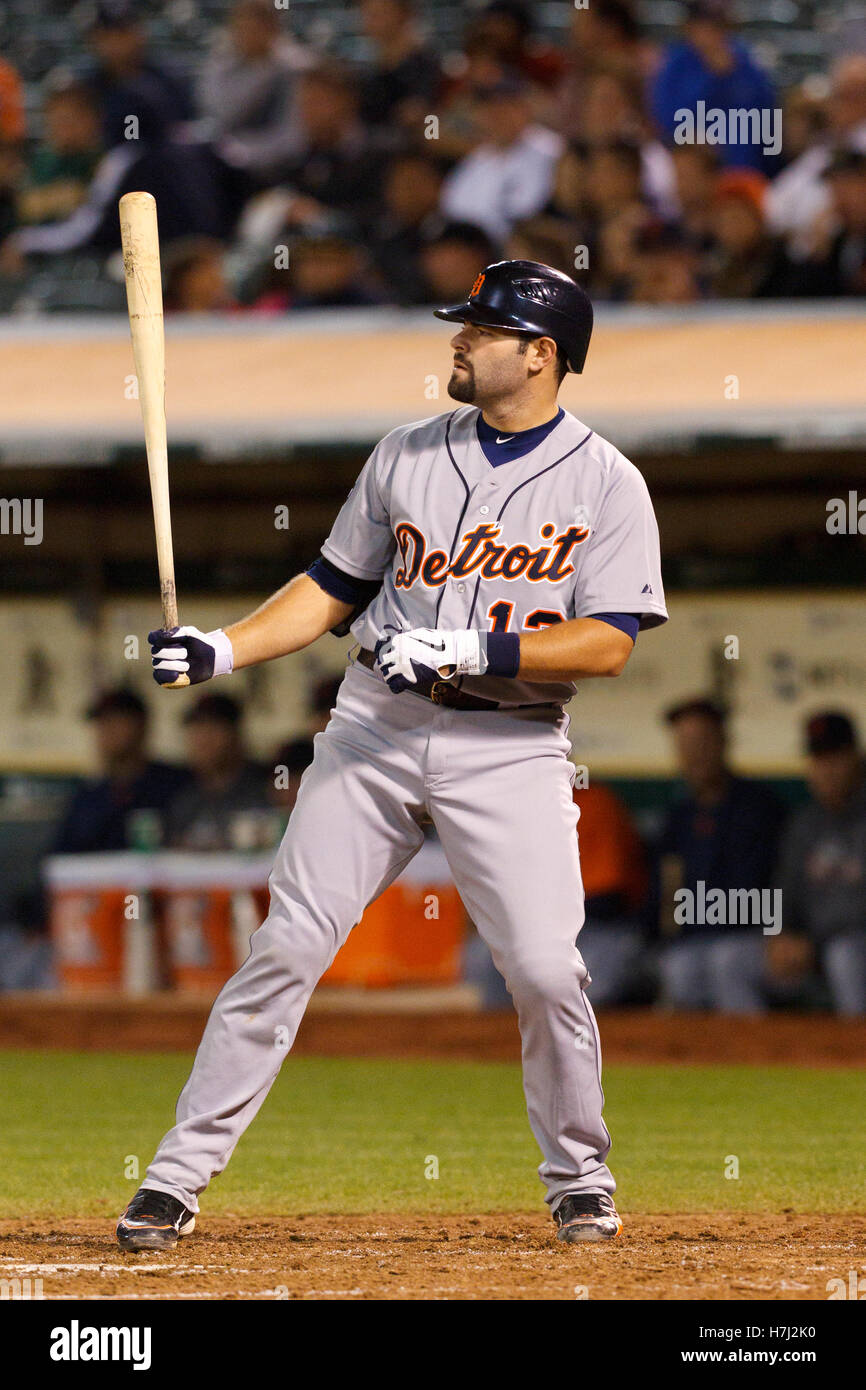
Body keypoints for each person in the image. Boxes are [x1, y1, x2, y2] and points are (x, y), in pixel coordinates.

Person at [117, 257, 668, 1253]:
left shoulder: (605, 481)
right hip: (375, 729)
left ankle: (580, 1179)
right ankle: (172, 1179)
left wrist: (473, 647)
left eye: (480, 330)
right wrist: (222, 647)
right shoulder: (405, 452)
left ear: (539, 356)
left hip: (508, 741)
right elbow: (330, 588)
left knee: (545, 971)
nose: (457, 340)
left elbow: (609, 642)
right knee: (286, 945)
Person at [656, 698, 786, 1013]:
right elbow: (666, 894)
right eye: (684, 744)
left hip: (755, 936)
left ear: (723, 742)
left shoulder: (760, 807)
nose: (694, 753)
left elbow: (782, 887)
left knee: (726, 961)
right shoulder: (679, 816)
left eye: (702, 742)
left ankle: (753, 1057)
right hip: (694, 939)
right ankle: (686, 1060)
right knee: (679, 968)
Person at [774, 713, 866, 1016]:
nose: (825, 770)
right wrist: (779, 934)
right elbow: (784, 892)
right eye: (817, 759)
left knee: (845, 955)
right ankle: (756, 1059)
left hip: (850, 945)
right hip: (810, 949)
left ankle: (855, 1057)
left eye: (833, 758)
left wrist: (813, 942)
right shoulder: (805, 824)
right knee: (731, 961)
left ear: (855, 758)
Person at [54, 688, 189, 854]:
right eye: (101, 724)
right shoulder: (89, 795)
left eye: (115, 722)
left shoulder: (175, 784)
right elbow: (58, 859)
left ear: (141, 726)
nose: (106, 733)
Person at [650, 0, 778, 174]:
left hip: (744, 170)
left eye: (716, 25)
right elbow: (667, 119)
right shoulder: (675, 64)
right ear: (689, 27)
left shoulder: (744, 61)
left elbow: (767, 114)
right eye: (703, 25)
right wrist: (712, 78)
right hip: (695, 170)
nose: (710, 32)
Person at [196, 0, 313, 178]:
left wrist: (244, 153)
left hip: (277, 166)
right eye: (240, 28)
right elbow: (218, 113)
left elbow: (293, 139)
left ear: (274, 29)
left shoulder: (296, 69)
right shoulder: (224, 61)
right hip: (224, 153)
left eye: (255, 28)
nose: (246, 36)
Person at [439, 77, 564, 242]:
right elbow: (453, 209)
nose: (498, 115)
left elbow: (532, 211)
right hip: (478, 254)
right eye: (490, 108)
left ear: (525, 108)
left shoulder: (552, 151)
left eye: (506, 106)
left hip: (530, 251)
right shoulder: (475, 161)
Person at [165, 693, 271, 852]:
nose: (203, 741)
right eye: (196, 730)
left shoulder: (266, 785)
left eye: (213, 729)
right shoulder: (184, 793)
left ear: (236, 734)